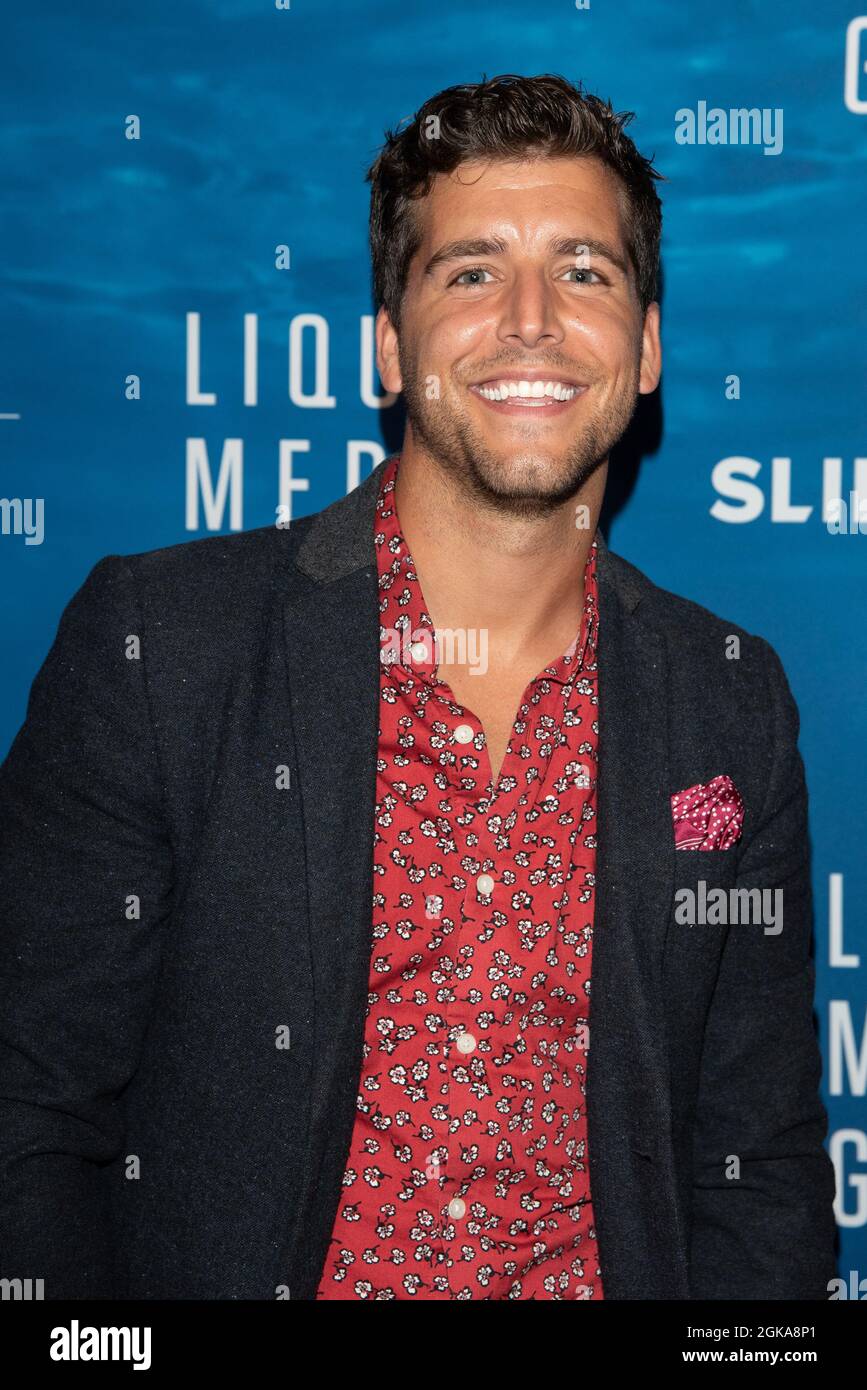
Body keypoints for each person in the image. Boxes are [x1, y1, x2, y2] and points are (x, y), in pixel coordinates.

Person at [0, 73, 836, 1301]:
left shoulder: (729, 702)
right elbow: (30, 1112)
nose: (535, 321)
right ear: (390, 345)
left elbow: (755, 1162)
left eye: (586, 272)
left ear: (648, 348)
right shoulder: (161, 647)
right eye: (473, 271)